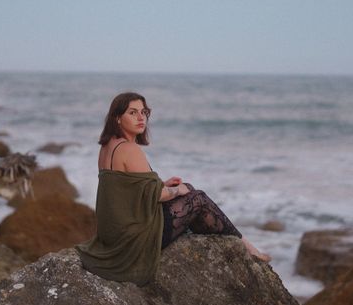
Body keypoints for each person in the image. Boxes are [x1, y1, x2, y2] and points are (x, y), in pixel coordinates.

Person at [76, 91, 270, 285]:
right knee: (198, 198)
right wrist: (176, 191)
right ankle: (248, 249)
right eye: (132, 113)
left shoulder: (107, 146)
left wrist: (163, 185)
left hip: (115, 233)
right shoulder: (129, 149)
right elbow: (158, 195)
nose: (141, 118)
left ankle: (223, 241)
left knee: (189, 190)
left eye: (143, 112)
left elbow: (126, 191)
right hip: (134, 239)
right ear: (117, 118)